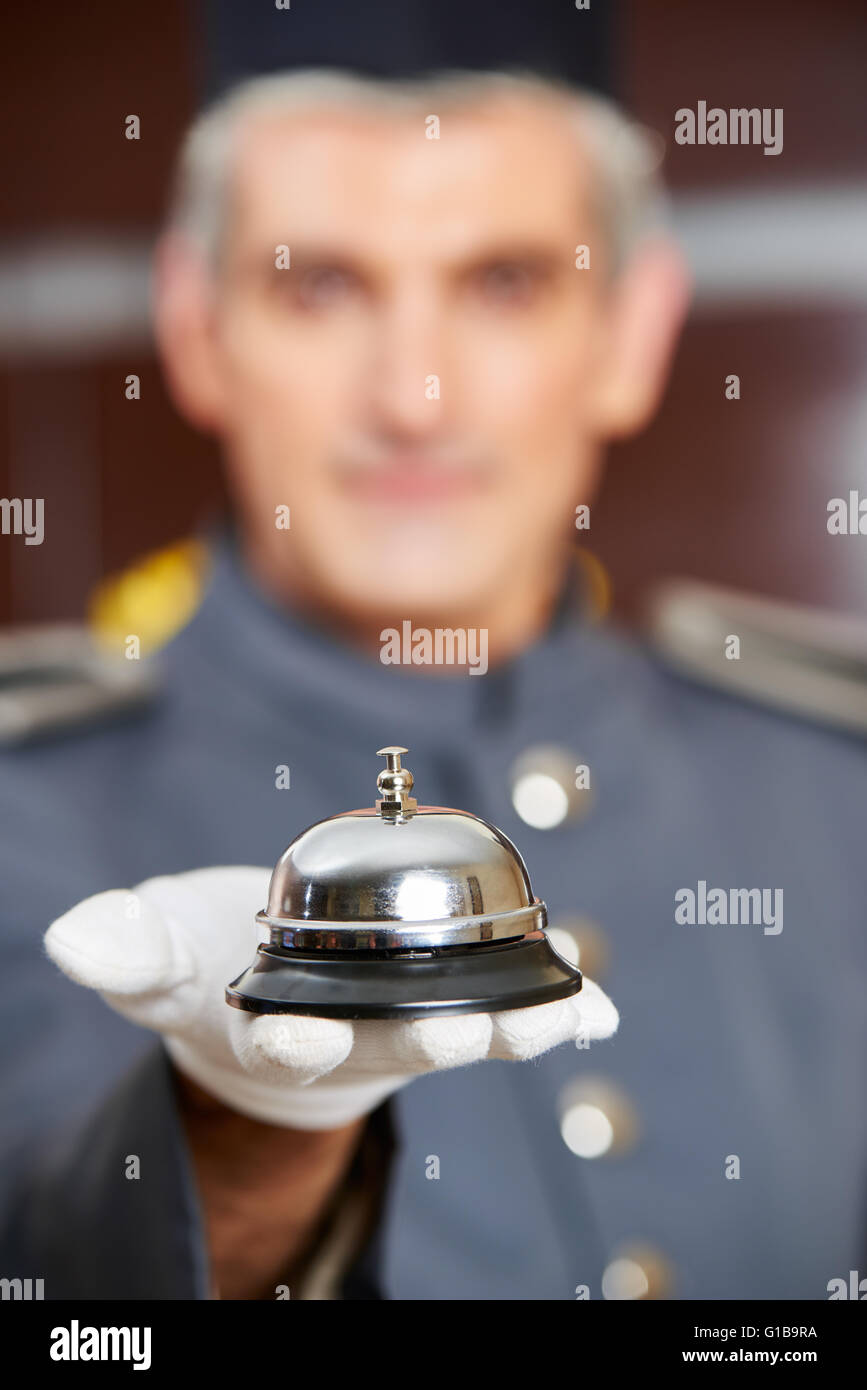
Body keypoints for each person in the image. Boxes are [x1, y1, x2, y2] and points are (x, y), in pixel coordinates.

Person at [1, 67, 864, 1302]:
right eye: (319, 286)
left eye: (505, 283)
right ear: (197, 333)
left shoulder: (831, 785)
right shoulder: (21, 817)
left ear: (630, 333)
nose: (413, 398)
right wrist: (248, 1124)